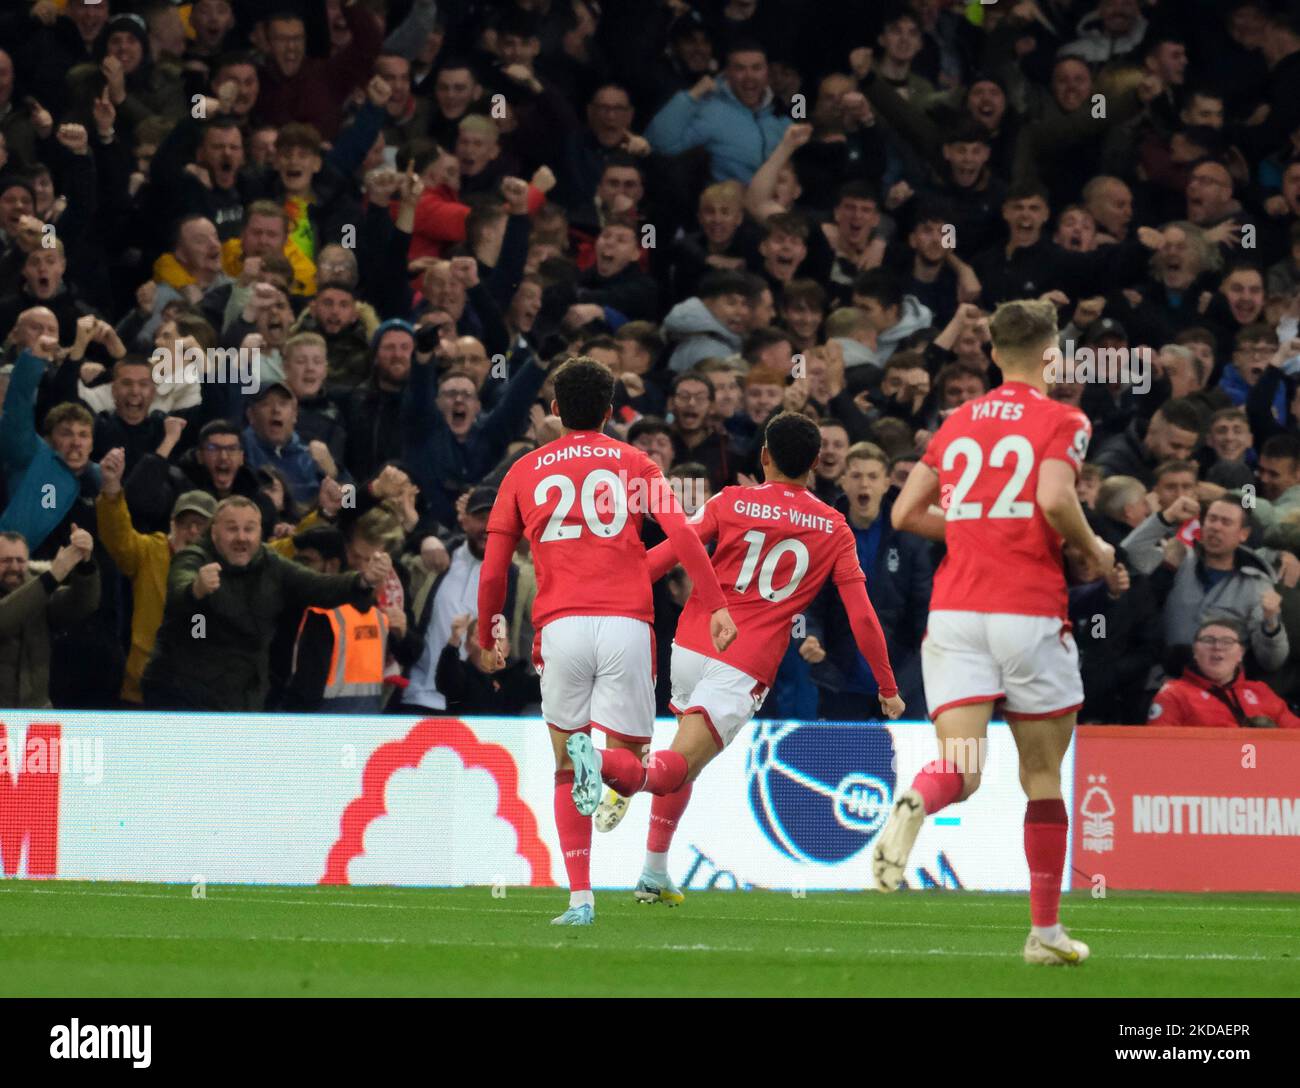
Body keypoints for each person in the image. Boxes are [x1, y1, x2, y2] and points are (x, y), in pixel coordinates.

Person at [582, 412, 903, 904]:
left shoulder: (730, 499)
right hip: (743, 662)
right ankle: (609, 766)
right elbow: (862, 616)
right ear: (817, 463)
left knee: (685, 763)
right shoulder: (835, 528)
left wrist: (605, 591)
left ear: (765, 457)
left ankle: (653, 871)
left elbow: (672, 552)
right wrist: (887, 685)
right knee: (673, 767)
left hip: (691, 645)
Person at [886, 298, 1113, 966]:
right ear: (1052, 355)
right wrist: (1095, 552)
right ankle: (1044, 932)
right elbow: (1051, 497)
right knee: (1041, 773)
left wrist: (978, 528)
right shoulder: (1064, 418)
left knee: (962, 768)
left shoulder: (957, 421)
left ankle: (917, 798)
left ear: (990, 354)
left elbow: (904, 511)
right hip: (1029, 610)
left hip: (955, 612)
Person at [475, 356, 736, 926]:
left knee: (564, 767)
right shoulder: (635, 461)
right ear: (613, 411)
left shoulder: (524, 470)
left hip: (560, 627)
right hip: (625, 625)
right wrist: (715, 603)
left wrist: (488, 630)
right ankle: (608, 768)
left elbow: (494, 571)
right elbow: (683, 534)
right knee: (635, 761)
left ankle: (579, 899)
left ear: (554, 410)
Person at [140, 495, 391, 710]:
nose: (241, 537)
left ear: (259, 532)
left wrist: (363, 580)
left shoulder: (271, 563)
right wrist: (196, 589)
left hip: (242, 698)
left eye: (249, 529)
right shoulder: (194, 557)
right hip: (182, 697)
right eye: (232, 528)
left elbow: (317, 586)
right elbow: (179, 586)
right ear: (214, 532)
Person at [95, 445, 215, 706]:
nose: (192, 531)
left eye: (201, 525)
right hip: (144, 687)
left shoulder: (225, 565)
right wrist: (112, 488)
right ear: (173, 523)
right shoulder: (151, 551)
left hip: (202, 690)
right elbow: (118, 537)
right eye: (185, 523)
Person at [0, 525, 98, 708]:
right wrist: (52, 577)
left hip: (37, 713)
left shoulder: (42, 591)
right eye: (5, 560)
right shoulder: (44, 585)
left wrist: (85, 564)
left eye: (20, 560)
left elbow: (82, 604)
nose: (14, 567)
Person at [1148, 617, 1300, 729]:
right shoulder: (1174, 694)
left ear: (1240, 654)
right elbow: (1160, 752)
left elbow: (1295, 736)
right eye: (1208, 640)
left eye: (1227, 641)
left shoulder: (1260, 691)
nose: (1217, 647)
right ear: (1195, 651)